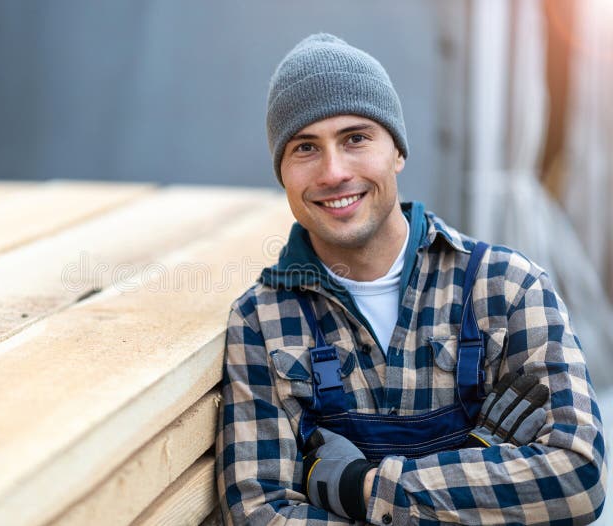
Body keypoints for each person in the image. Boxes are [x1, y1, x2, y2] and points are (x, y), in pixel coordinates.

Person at [215, 33, 606, 525]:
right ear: (283, 174)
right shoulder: (262, 321)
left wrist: (357, 489)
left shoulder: (507, 289)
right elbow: (261, 514)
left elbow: (577, 479)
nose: (334, 171)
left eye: (356, 138)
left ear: (397, 151)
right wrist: (479, 460)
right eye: (305, 147)